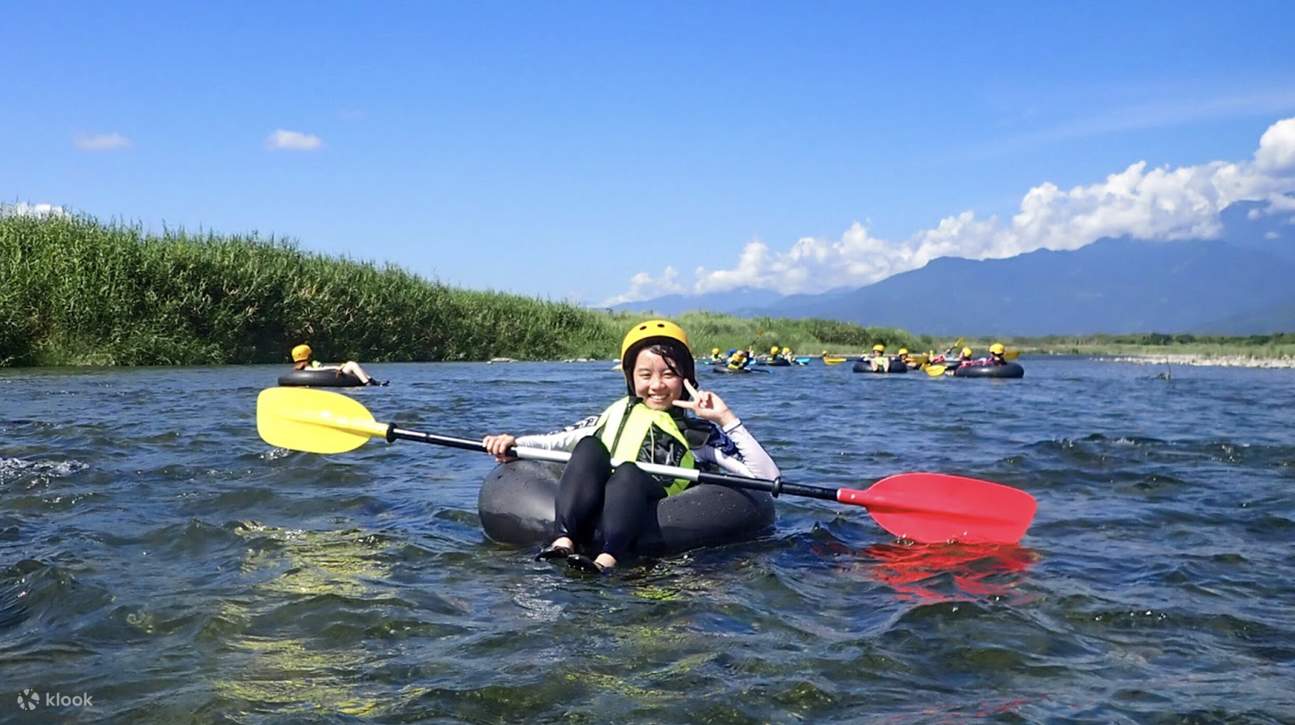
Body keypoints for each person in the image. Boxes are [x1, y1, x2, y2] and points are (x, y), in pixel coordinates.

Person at [482, 319, 780, 574]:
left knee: (627, 473)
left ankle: (608, 559)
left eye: (669, 374)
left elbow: (765, 478)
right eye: (646, 375)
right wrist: (515, 443)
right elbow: (555, 440)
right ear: (630, 377)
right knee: (587, 447)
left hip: (650, 503)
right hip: (599, 500)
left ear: (686, 379)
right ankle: (563, 539)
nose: (657, 385)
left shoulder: (699, 433)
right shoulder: (613, 414)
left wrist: (725, 417)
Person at [290, 343, 387, 386]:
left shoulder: (303, 368)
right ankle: (368, 383)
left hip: (331, 375)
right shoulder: (307, 370)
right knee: (351, 364)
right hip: (332, 377)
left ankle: (372, 381)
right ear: (307, 356)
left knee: (350, 365)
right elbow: (317, 371)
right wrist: (336, 367)